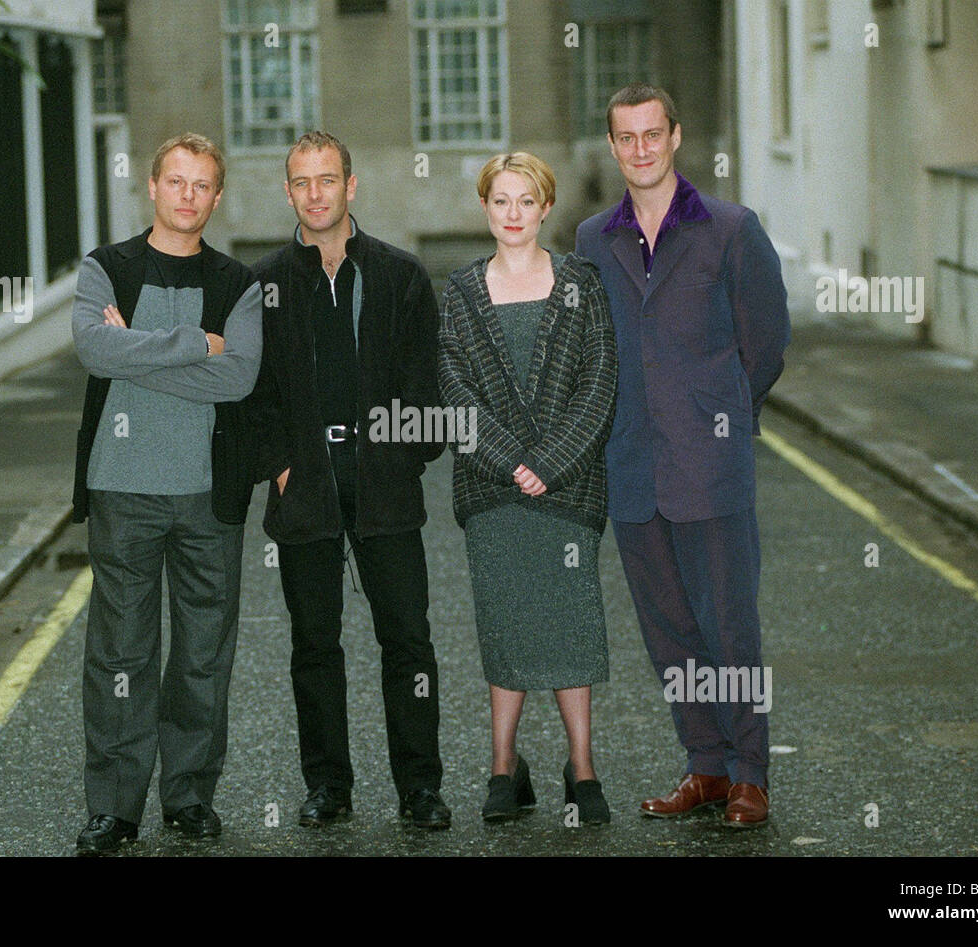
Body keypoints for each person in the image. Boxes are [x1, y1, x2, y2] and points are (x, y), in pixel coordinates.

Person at [576, 84, 790, 828]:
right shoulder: (591, 238)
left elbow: (765, 342)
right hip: (632, 468)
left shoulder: (731, 229)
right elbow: (591, 348)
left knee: (731, 626)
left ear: (676, 137)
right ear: (613, 146)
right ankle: (703, 764)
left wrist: (723, 411)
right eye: (625, 137)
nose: (640, 148)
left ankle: (750, 774)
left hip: (710, 463)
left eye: (652, 134)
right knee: (669, 633)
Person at [249, 131, 451, 829]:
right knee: (314, 643)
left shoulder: (400, 275)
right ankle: (328, 785)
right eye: (302, 182)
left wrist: (398, 455)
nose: (315, 193)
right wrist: (279, 466)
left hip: (384, 483)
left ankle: (420, 787)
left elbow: (426, 383)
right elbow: (254, 392)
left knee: (407, 640)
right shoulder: (266, 282)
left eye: (327, 179)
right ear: (288, 192)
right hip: (304, 483)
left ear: (351, 185)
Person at [69, 133, 262, 853]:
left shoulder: (239, 283)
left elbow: (238, 376)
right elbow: (93, 348)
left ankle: (188, 797)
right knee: (119, 652)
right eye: (175, 180)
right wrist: (194, 342)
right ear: (151, 186)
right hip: (122, 488)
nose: (187, 194)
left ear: (216, 196)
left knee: (204, 651)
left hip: (208, 492)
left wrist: (139, 350)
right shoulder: (105, 268)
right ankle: (114, 808)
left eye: (202, 183)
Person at [439, 153, 618, 825]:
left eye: (526, 201)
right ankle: (504, 768)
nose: (513, 214)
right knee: (505, 624)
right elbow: (452, 389)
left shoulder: (582, 282)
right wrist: (513, 462)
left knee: (573, 623)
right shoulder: (459, 291)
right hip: (494, 492)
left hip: (567, 490)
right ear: (486, 208)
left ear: (546, 208)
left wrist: (551, 461)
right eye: (500, 201)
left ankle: (583, 767)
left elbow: (600, 383)